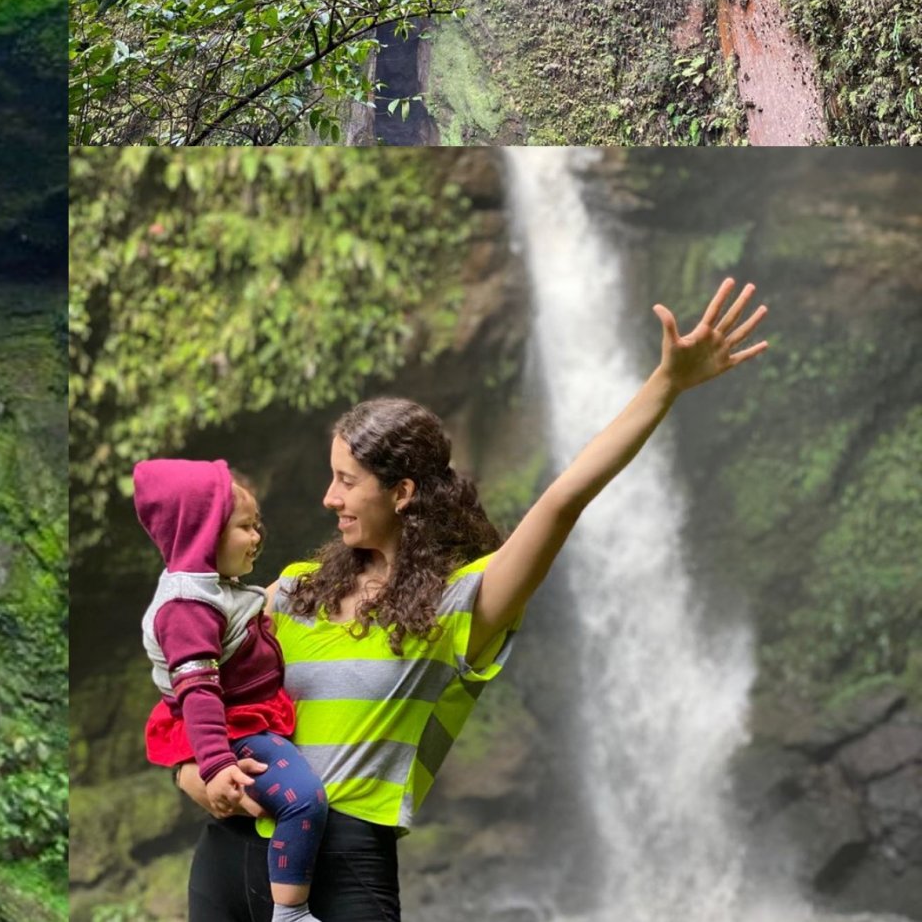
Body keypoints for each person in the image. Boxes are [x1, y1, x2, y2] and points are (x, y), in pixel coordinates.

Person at [173, 277, 770, 921]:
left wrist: (666, 385)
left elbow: (563, 500)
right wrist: (199, 781)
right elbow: (191, 696)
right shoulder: (292, 590)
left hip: (341, 864)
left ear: (401, 492)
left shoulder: (461, 605)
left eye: (347, 481)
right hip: (228, 856)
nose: (329, 498)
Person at [134, 461, 332, 922]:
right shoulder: (188, 608)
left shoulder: (215, 592)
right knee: (304, 800)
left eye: (256, 524)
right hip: (232, 730)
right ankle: (292, 912)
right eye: (245, 526)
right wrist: (217, 765)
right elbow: (198, 691)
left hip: (240, 723)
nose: (257, 535)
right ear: (205, 533)